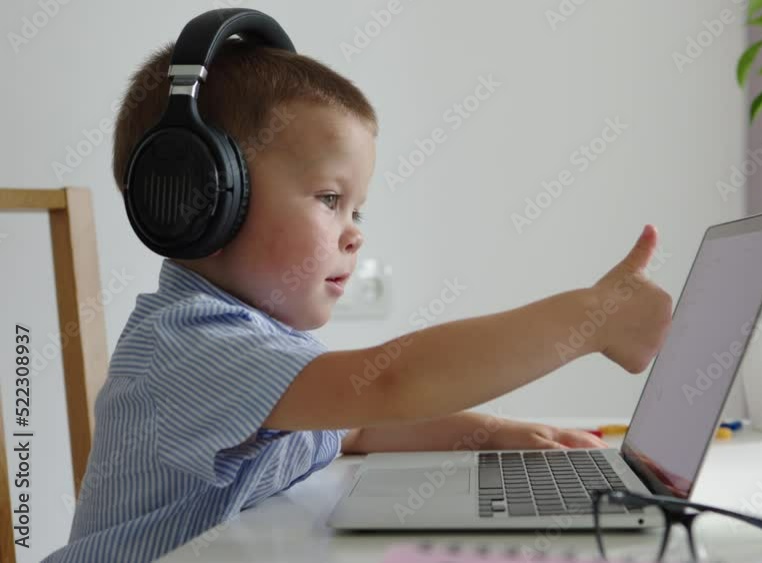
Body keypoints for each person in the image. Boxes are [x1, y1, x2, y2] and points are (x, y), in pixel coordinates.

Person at [43, 37, 672, 563]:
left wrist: (495, 435)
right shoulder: (189, 344)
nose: (355, 233)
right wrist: (592, 316)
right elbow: (393, 384)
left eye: (357, 209)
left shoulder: (259, 344)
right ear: (202, 199)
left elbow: (361, 426)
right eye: (329, 199)